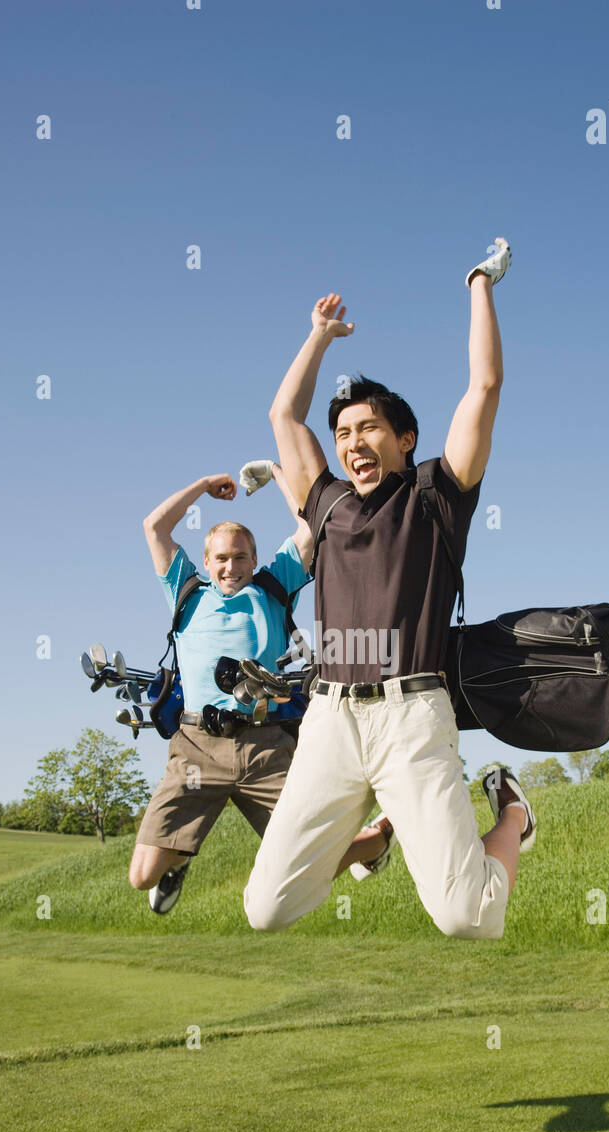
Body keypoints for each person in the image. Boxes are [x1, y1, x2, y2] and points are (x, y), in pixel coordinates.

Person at [244, 238, 537, 940]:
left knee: (467, 919)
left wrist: (477, 285)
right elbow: (284, 417)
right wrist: (318, 336)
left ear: (405, 438)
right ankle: (378, 839)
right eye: (343, 433)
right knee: (266, 910)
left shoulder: (437, 496)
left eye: (369, 427)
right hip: (330, 722)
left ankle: (516, 817)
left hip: (412, 717)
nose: (352, 442)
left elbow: (485, 388)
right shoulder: (328, 505)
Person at [129, 467, 390, 914]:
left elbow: (314, 524)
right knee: (141, 876)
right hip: (197, 748)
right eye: (223, 559)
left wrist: (278, 473)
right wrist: (203, 487)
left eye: (242, 557)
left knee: (307, 864)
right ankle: (178, 858)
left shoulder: (274, 588)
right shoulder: (186, 592)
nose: (232, 567)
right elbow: (154, 526)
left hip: (266, 748)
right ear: (207, 563)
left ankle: (378, 841)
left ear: (255, 559)